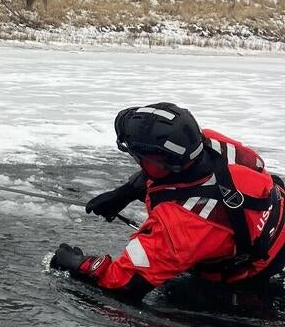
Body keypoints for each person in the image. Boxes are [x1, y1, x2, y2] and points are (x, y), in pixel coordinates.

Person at [50, 103, 285, 298]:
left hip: (254, 273)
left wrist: (77, 264)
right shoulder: (209, 144)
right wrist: (126, 192)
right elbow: (173, 169)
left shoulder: (182, 223)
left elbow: (122, 284)